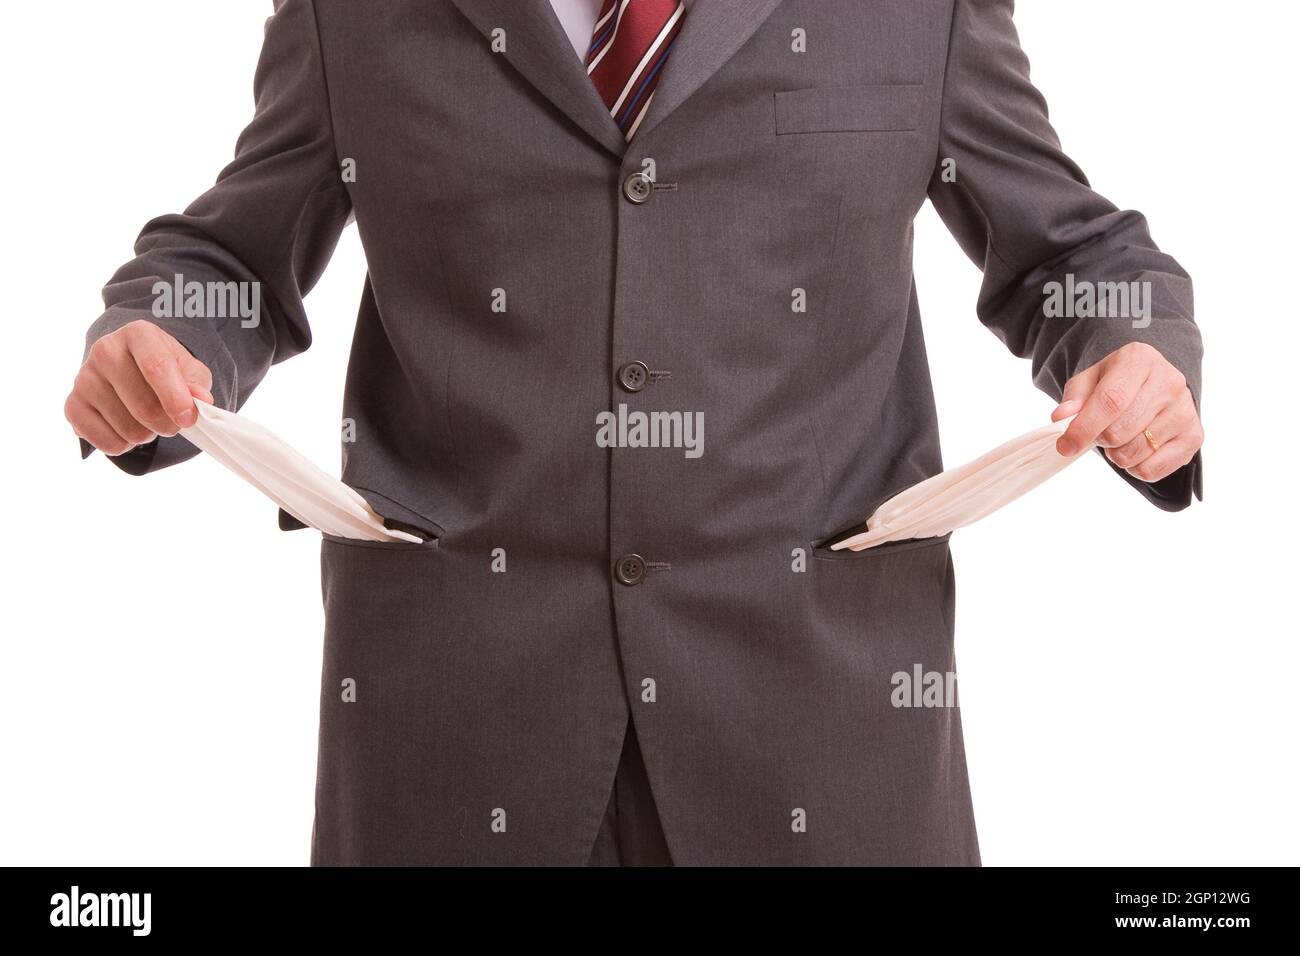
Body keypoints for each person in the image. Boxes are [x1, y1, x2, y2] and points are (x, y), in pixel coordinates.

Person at [64, 0, 1204, 866]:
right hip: (455, 733)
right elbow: (230, 258)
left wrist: (1130, 345)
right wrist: (158, 335)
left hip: (820, 732)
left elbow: (1073, 253)